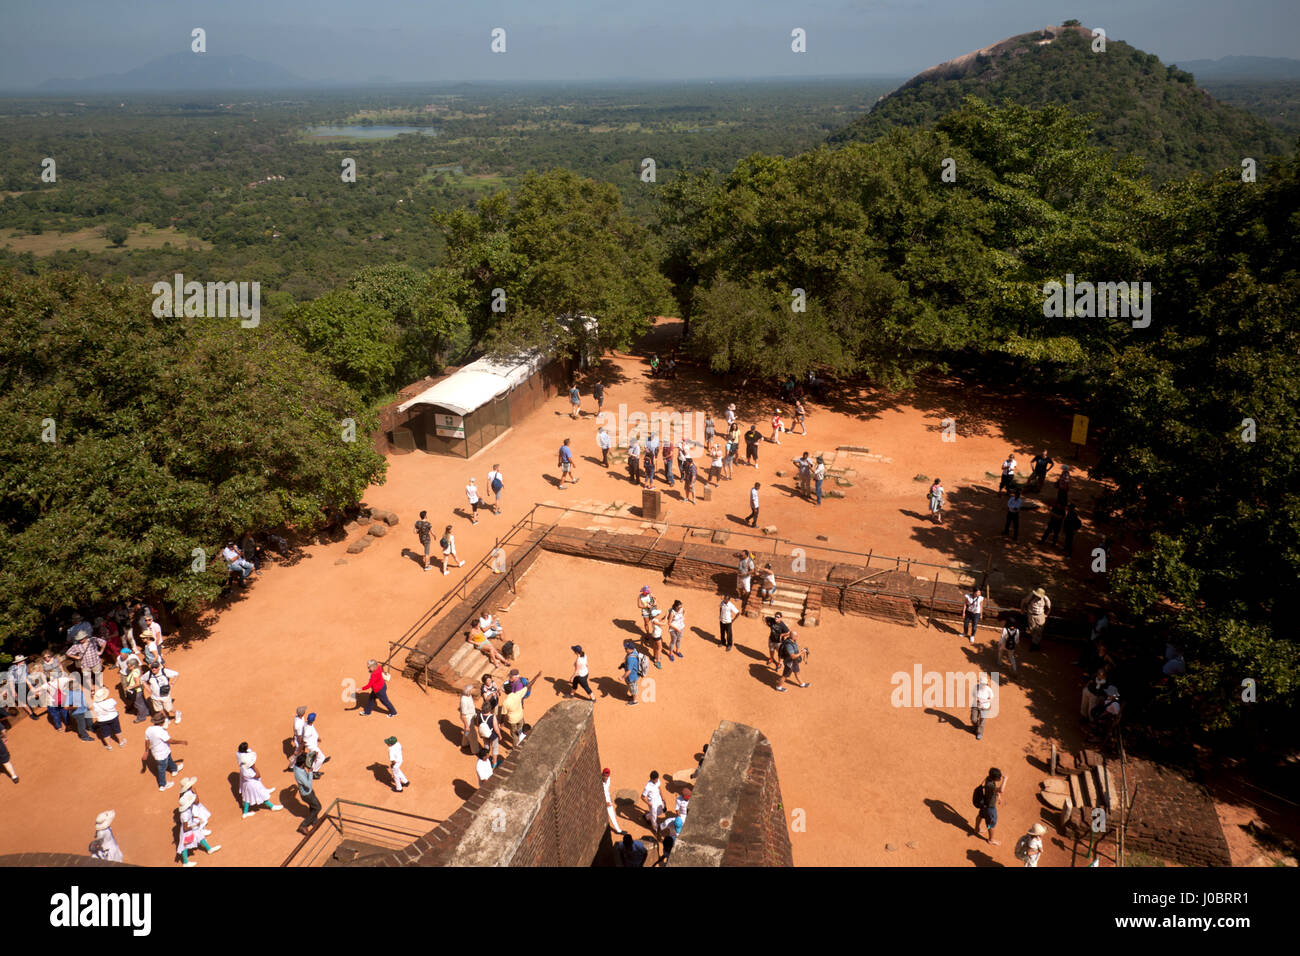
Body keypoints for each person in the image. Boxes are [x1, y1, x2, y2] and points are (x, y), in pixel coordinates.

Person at [177, 790, 221, 866]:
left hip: (192, 827)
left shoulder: (187, 809)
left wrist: (196, 817)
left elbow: (190, 816)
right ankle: (185, 862)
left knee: (200, 836)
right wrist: (195, 825)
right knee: (185, 845)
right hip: (187, 831)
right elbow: (185, 828)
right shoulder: (184, 815)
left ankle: (209, 849)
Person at [237, 743, 282, 816]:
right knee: (261, 795)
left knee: (247, 797)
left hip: (246, 784)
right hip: (252, 785)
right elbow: (258, 775)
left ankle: (245, 813)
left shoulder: (239, 755)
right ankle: (272, 806)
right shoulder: (248, 772)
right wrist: (254, 767)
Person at [144, 713, 184, 791]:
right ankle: (163, 785)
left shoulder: (148, 729)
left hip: (159, 752)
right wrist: (181, 742)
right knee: (161, 769)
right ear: (161, 722)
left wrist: (146, 751)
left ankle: (174, 769)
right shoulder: (161, 731)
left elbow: (147, 741)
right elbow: (170, 741)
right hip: (161, 754)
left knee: (169, 759)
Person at [290, 753, 322, 835]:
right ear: (303, 763)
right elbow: (308, 784)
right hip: (307, 794)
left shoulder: (298, 767)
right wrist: (310, 772)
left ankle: (314, 821)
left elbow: (309, 757)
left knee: (312, 806)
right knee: (318, 807)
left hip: (308, 792)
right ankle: (303, 825)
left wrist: (314, 754)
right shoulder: (299, 773)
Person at [973, 767, 1006, 845]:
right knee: (990, 825)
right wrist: (1005, 780)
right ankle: (991, 839)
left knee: (980, 815)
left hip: (984, 805)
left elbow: (995, 790)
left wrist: (998, 797)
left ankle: (976, 829)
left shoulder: (988, 779)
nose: (1000, 778)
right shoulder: (990, 785)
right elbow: (1001, 790)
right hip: (990, 808)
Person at [6, 655, 38, 721]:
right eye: (21, 661)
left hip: (26, 682)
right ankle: (31, 713)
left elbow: (26, 675)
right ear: (17, 662)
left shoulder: (24, 665)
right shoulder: (12, 670)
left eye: (23, 660)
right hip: (18, 685)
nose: (23, 661)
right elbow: (11, 682)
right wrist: (13, 691)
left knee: (37, 692)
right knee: (22, 701)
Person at [501, 680, 528, 746]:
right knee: (520, 731)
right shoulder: (518, 694)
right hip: (520, 717)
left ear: (506, 692)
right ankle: (522, 741)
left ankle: (515, 747)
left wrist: (502, 723)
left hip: (513, 720)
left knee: (514, 735)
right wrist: (537, 676)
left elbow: (503, 714)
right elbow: (527, 686)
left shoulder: (506, 702)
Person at [641, 771, 667, 835]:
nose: (657, 780)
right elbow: (642, 797)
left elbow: (659, 788)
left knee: (660, 812)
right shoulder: (647, 787)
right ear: (652, 779)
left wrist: (662, 796)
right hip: (652, 803)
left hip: (658, 799)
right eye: (656, 779)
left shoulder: (657, 781)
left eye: (658, 778)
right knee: (654, 817)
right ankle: (655, 829)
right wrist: (649, 804)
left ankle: (647, 816)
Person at [302, 712, 327, 778]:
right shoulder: (307, 730)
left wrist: (317, 737)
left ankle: (314, 770)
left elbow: (312, 731)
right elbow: (304, 740)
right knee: (322, 758)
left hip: (313, 745)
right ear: (313, 720)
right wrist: (303, 749)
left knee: (316, 758)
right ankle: (314, 772)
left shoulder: (307, 723)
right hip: (312, 747)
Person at [971, 674, 994, 740]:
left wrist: (984, 701)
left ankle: (979, 733)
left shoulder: (989, 690)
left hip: (985, 707)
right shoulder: (976, 687)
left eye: (984, 684)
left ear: (986, 684)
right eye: (982, 683)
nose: (983, 685)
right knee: (973, 719)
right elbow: (973, 694)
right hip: (976, 706)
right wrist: (977, 698)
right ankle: (976, 726)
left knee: (982, 721)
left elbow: (991, 699)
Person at [619, 640, 642, 705]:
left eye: (626, 648)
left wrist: (622, 677)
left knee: (633, 688)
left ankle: (635, 701)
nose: (625, 649)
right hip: (633, 675)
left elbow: (629, 671)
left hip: (632, 677)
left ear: (630, 649)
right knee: (632, 687)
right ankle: (633, 696)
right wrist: (624, 665)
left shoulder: (630, 658)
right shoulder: (634, 651)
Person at [602, 768, 624, 834]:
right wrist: (605, 802)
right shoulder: (599, 782)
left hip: (608, 799)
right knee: (611, 814)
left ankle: (618, 830)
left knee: (612, 814)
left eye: (607, 776)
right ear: (602, 775)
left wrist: (608, 799)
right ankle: (618, 830)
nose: (606, 777)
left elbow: (607, 790)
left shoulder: (609, 779)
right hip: (604, 801)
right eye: (605, 775)